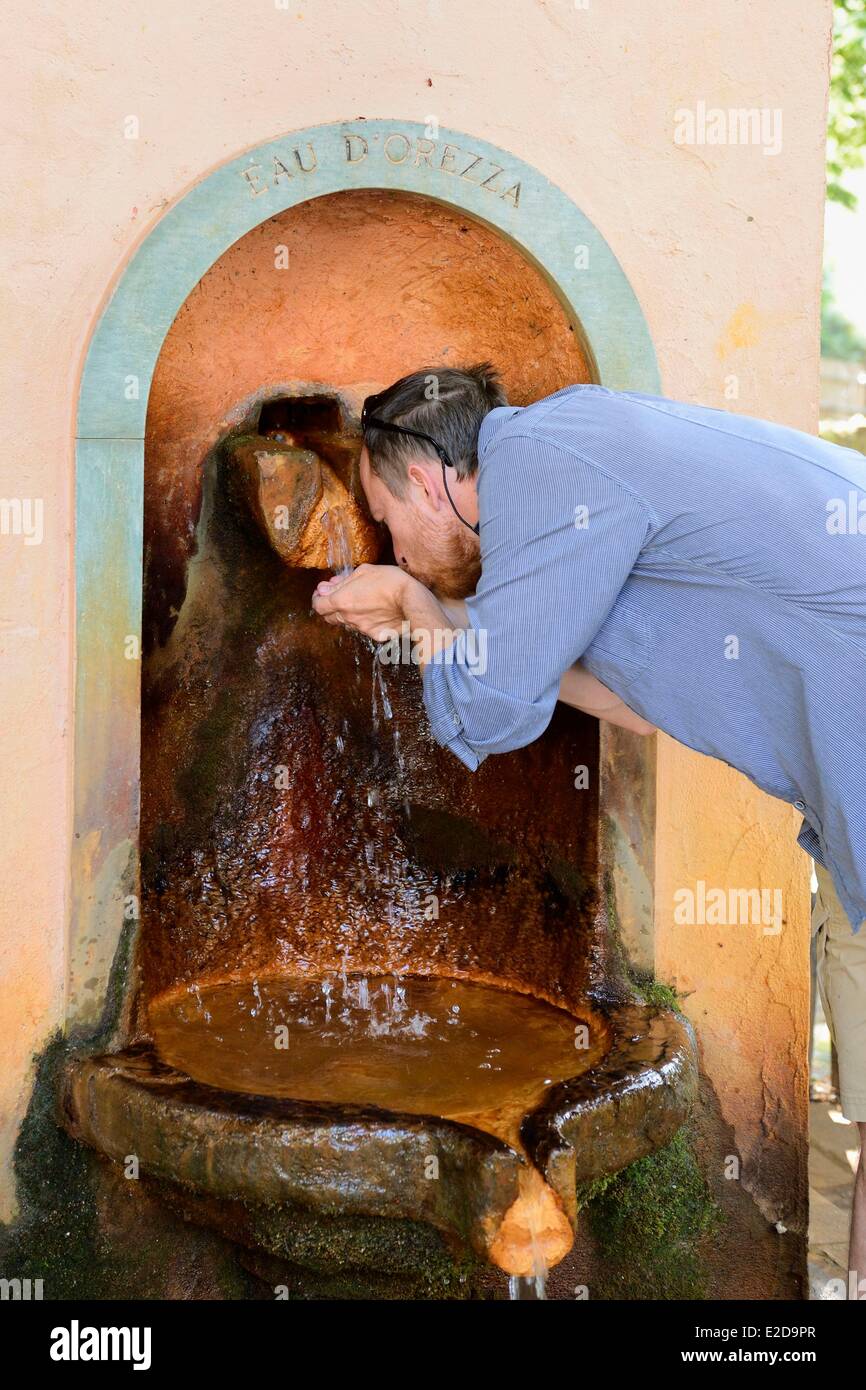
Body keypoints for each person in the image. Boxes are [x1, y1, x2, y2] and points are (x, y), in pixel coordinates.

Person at [312, 363, 866, 1294]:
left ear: (428, 480)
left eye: (390, 522)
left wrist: (413, 607)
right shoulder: (572, 487)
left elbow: (488, 708)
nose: (397, 550)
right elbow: (630, 702)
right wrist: (431, 619)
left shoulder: (534, 457)